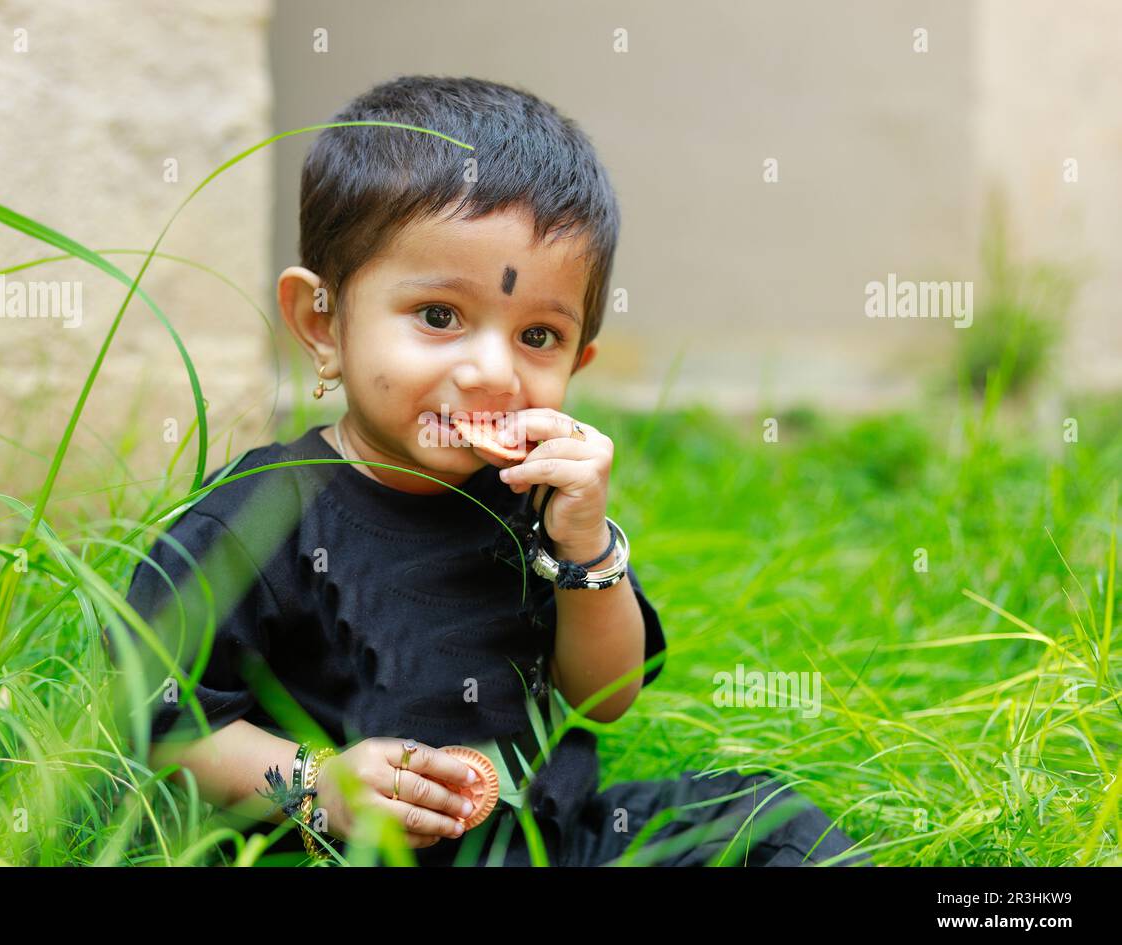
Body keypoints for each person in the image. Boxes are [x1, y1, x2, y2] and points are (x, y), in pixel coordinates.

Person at [115, 74, 871, 867]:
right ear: (323, 324)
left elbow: (605, 696)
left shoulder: (532, 495)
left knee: (768, 821)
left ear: (581, 359)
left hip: (553, 845)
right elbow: (159, 720)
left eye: (538, 336)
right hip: (350, 854)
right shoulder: (261, 513)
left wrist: (585, 550)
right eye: (439, 317)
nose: (492, 372)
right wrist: (317, 783)